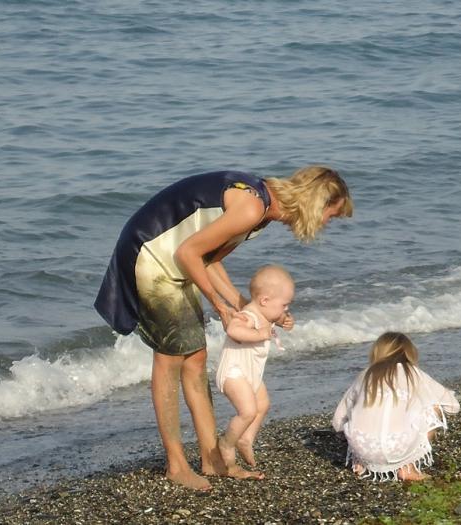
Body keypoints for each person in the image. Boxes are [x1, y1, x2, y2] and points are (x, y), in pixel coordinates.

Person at [94, 166, 352, 490]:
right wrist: (220, 308)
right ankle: (176, 464)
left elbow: (209, 259)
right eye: (331, 215)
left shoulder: (263, 212)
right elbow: (188, 252)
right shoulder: (252, 206)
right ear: (315, 204)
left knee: (196, 359)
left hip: (174, 261)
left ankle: (212, 459)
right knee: (170, 358)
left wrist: (244, 306)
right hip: (150, 253)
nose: (327, 224)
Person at [332, 332, 460, 481]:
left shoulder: (366, 375)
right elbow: (452, 405)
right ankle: (408, 468)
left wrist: (347, 441)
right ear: (409, 352)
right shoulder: (414, 374)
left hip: (362, 447)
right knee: (433, 407)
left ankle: (361, 462)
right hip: (398, 446)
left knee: (362, 414)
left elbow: (338, 420)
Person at [215, 264, 294, 480]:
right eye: (284, 306)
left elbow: (273, 317)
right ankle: (227, 443)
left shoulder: (265, 313)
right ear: (265, 301)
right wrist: (260, 333)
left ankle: (245, 439)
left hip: (250, 373)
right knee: (248, 411)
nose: (286, 310)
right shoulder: (248, 315)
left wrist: (284, 320)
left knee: (263, 404)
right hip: (234, 372)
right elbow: (233, 329)